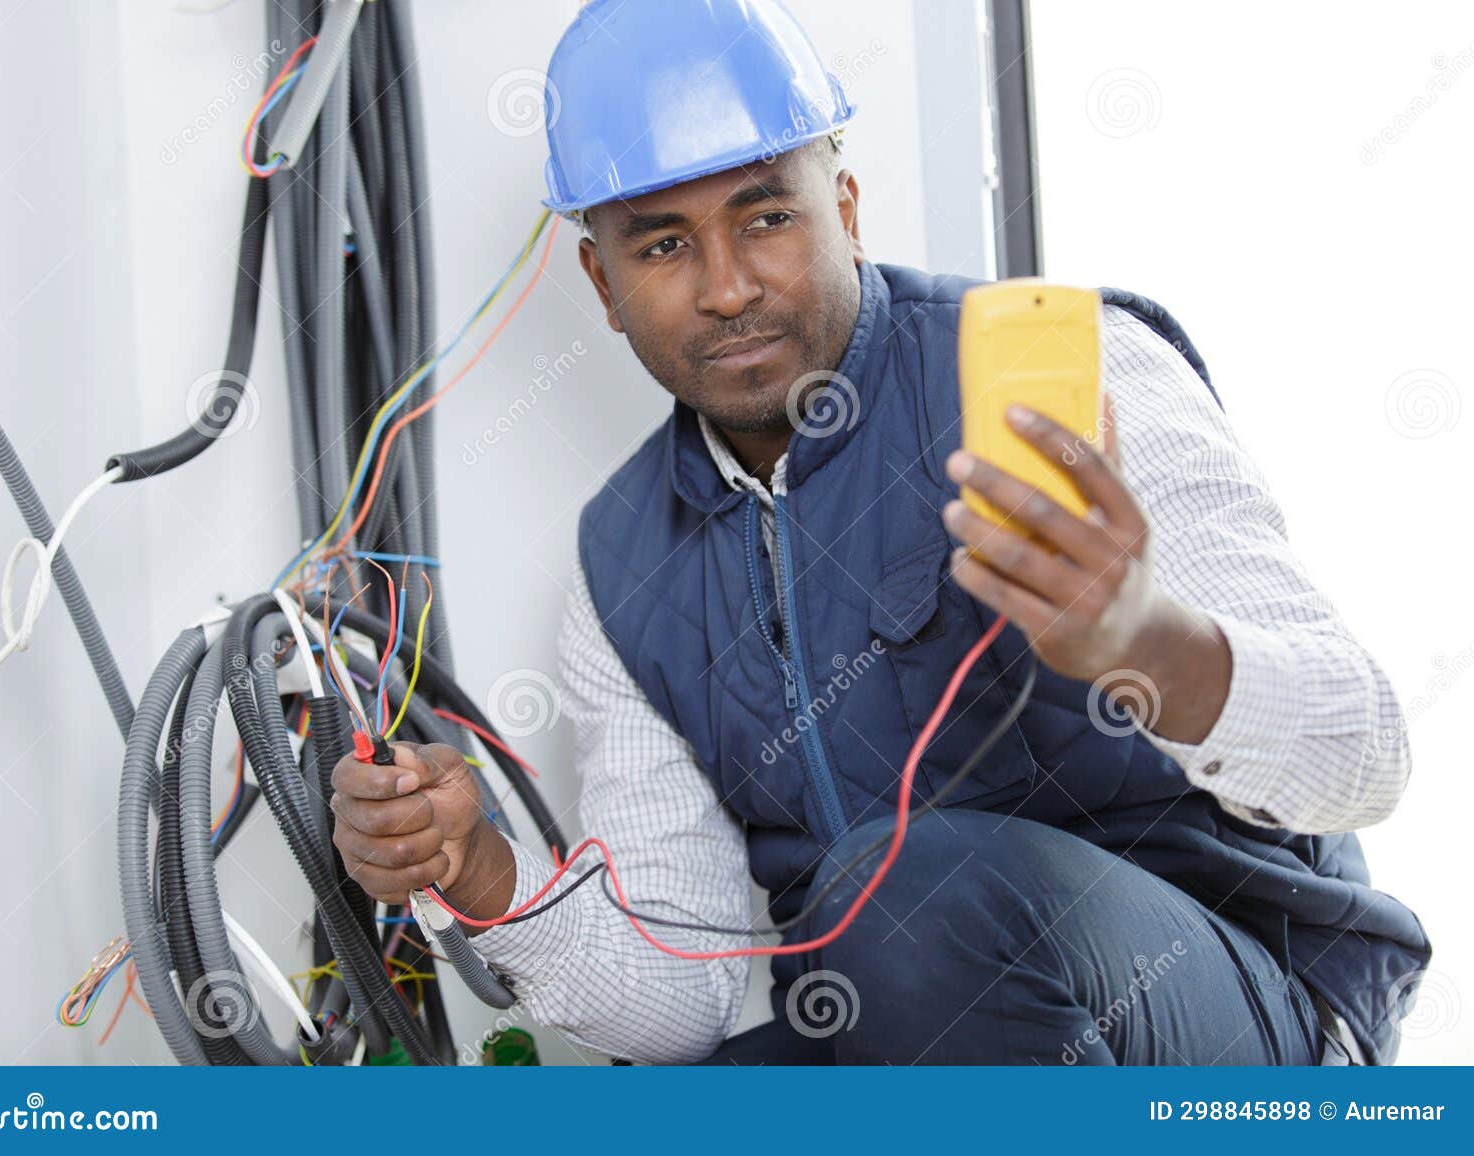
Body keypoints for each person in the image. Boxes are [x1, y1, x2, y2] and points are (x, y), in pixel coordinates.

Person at [329, 0, 1428, 1064]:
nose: (726, 288)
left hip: (1244, 1008)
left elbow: (1363, 754)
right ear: (602, 283)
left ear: (844, 208)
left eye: (767, 216)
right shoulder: (623, 564)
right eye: (662, 246)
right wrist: (481, 873)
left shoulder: (1087, 376)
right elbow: (681, 996)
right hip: (918, 1030)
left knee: (906, 893)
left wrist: (1150, 641)